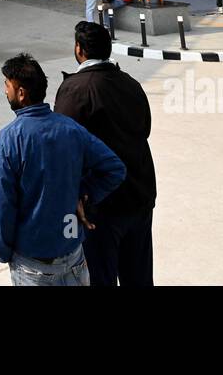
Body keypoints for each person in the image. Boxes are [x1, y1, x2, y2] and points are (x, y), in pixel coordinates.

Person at [0, 53, 126, 286]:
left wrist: (4, 249)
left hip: (33, 266)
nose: (5, 91)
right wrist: (84, 194)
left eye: (7, 85)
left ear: (21, 93)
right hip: (74, 258)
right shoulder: (70, 129)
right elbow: (114, 169)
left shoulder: (10, 138)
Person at [54, 23, 157, 286]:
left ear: (79, 50)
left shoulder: (75, 90)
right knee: (140, 277)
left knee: (101, 278)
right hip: (140, 194)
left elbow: (63, 151)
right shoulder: (131, 84)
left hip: (101, 207)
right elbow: (144, 128)